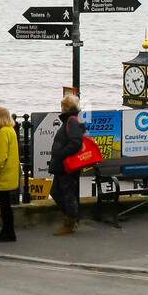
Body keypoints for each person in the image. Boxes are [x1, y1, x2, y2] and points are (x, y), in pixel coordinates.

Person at [47, 93, 86, 236]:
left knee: (67, 193)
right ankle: (72, 218)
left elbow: (76, 142)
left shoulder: (71, 121)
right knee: (56, 192)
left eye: (62, 105)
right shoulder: (71, 120)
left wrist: (61, 154)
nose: (61, 108)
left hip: (66, 166)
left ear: (66, 106)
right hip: (62, 166)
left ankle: (70, 223)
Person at [0, 107, 20, 243]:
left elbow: (0, 157)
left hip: (3, 176)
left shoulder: (2, 133)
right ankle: (7, 231)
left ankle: (8, 232)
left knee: (4, 206)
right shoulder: (10, 130)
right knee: (6, 205)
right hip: (10, 174)